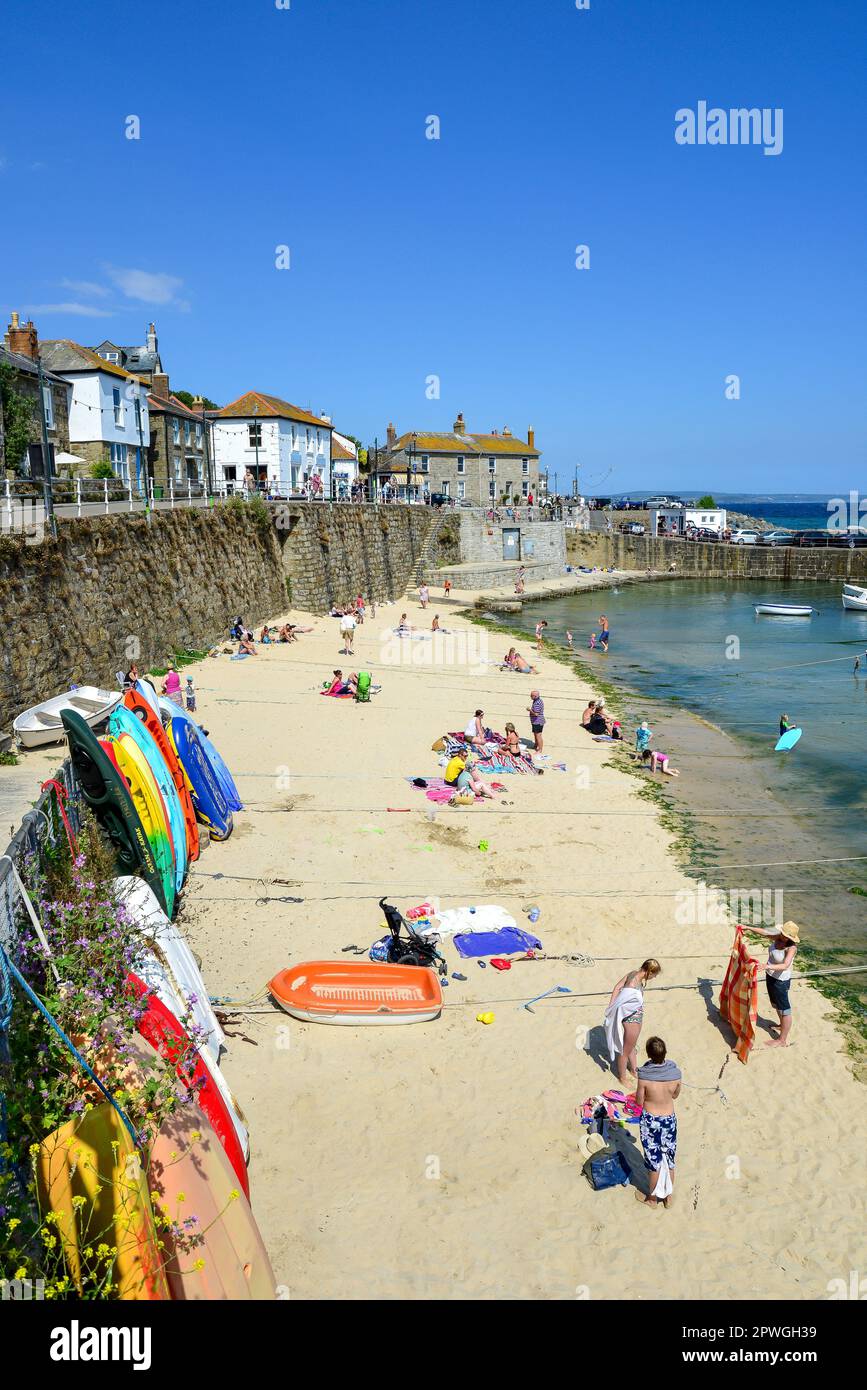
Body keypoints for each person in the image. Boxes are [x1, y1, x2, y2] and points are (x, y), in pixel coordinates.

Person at [635, 1036, 681, 1208]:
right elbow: (675, 1095)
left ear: (648, 1055)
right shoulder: (675, 1074)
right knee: (669, 1158)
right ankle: (668, 1197)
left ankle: (652, 1199)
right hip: (669, 1119)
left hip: (651, 1121)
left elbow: (639, 1101)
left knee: (654, 1161)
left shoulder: (644, 1076)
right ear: (665, 1053)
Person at [604, 959, 662, 1087]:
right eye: (654, 975)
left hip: (636, 1016)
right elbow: (624, 997)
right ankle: (622, 1077)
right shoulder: (632, 985)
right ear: (649, 972)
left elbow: (617, 987)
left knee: (632, 1045)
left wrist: (611, 1005)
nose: (654, 977)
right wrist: (613, 1008)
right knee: (625, 1050)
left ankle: (634, 1070)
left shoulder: (632, 973)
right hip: (631, 1019)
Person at [758, 921, 799, 1048]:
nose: (782, 935)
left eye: (785, 935)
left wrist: (767, 966)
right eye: (782, 933)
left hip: (781, 982)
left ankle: (782, 1040)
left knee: (784, 1009)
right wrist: (747, 928)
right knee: (776, 1004)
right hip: (770, 977)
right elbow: (764, 933)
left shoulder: (791, 948)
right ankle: (782, 1026)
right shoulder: (778, 938)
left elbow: (785, 965)